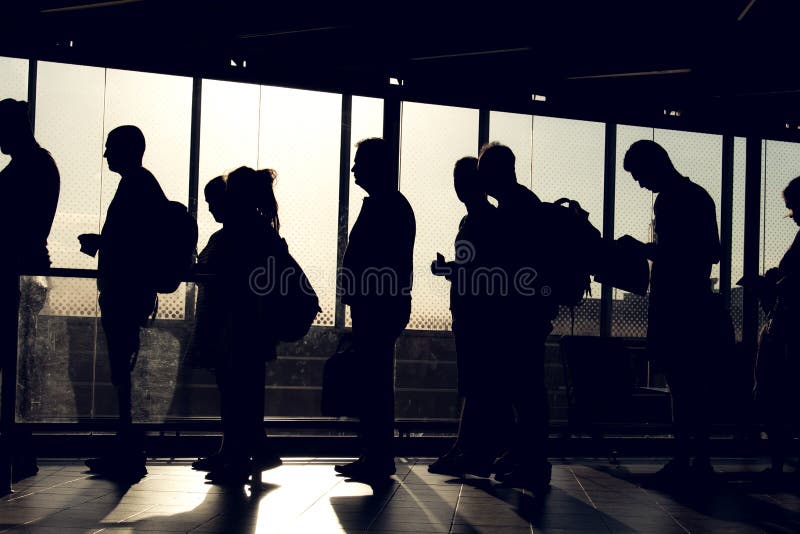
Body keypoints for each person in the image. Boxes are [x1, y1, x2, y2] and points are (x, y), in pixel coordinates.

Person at [622, 139, 721, 486]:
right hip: (691, 303)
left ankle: (685, 458)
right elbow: (710, 252)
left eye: (639, 175)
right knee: (692, 384)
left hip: (678, 305)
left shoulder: (673, 201)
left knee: (682, 384)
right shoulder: (696, 197)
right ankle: (698, 460)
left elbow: (690, 252)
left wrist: (644, 250)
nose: (640, 183)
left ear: (654, 165)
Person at [79, 125, 165, 481]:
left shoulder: (135, 185)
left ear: (128, 149)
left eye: (110, 147)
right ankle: (129, 449)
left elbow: (132, 243)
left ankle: (129, 452)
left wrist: (103, 244)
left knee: (124, 373)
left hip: (124, 293)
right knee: (127, 373)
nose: (105, 154)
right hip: (132, 292)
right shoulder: (142, 184)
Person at [476, 142, 556, 492]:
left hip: (518, 314)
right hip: (529, 311)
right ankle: (528, 457)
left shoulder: (513, 210)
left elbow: (506, 265)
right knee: (526, 387)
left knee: (523, 388)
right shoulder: (525, 203)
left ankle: (532, 461)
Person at [335, 138, 415, 481]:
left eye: (359, 162)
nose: (354, 169)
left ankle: (377, 455)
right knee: (376, 381)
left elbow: (375, 258)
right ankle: (375, 454)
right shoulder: (393, 206)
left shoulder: (386, 207)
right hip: (380, 304)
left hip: (376, 306)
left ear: (376, 166)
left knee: (375, 383)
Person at [428, 156, 511, 477]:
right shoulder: (484, 218)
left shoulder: (478, 221)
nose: (458, 187)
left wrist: (448, 270)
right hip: (479, 312)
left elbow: (479, 271)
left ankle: (469, 450)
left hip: (475, 314)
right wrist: (452, 269)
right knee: (481, 384)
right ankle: (473, 450)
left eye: (461, 181)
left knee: (476, 383)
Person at [203, 166, 282, 485]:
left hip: (237, 325)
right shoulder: (262, 230)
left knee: (234, 392)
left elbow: (223, 274)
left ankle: (236, 456)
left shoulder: (239, 233)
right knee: (245, 391)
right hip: (254, 324)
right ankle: (243, 451)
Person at [0, 98, 60, 484]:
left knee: (13, 364)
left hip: (16, 272)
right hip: (25, 271)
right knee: (16, 364)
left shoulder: (26, 167)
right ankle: (20, 449)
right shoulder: (39, 164)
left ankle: (18, 449)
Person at [751, 176, 800, 482]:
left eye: (793, 209)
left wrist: (773, 283)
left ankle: (779, 463)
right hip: (786, 329)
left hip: (786, 330)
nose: (793, 215)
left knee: (775, 396)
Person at [184, 176, 228, 471]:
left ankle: (232, 452)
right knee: (232, 390)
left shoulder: (224, 239)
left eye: (213, 202)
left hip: (222, 326)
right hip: (227, 326)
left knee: (229, 390)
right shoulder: (230, 237)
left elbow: (207, 274)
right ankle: (233, 450)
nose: (211, 209)